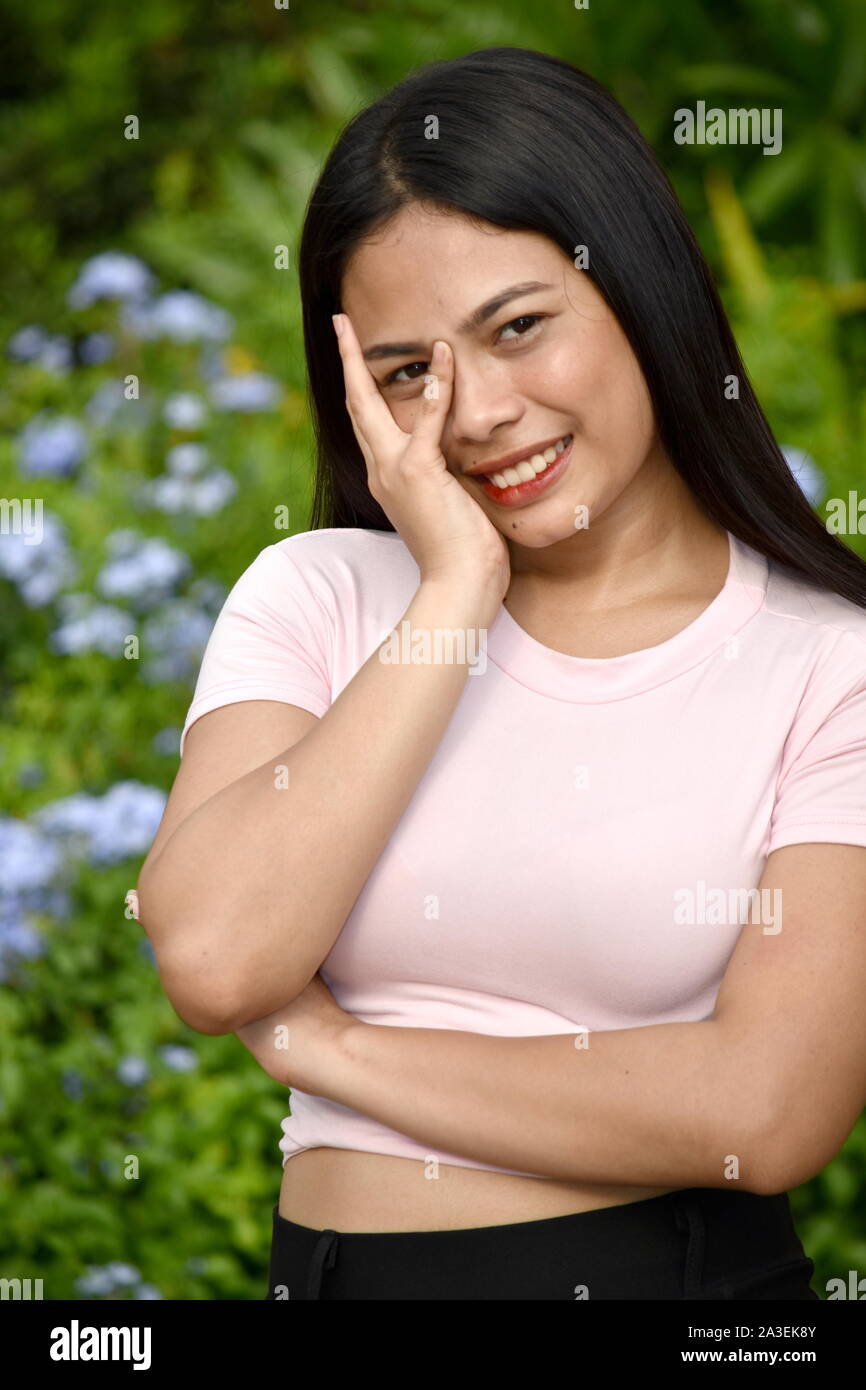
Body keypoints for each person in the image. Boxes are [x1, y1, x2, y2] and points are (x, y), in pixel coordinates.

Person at [134, 47, 866, 1300]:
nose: (469, 414)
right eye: (407, 371)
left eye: (518, 327)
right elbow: (212, 951)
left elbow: (768, 1105)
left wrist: (333, 1045)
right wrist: (455, 595)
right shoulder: (318, 595)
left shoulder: (824, 663)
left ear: (640, 291)